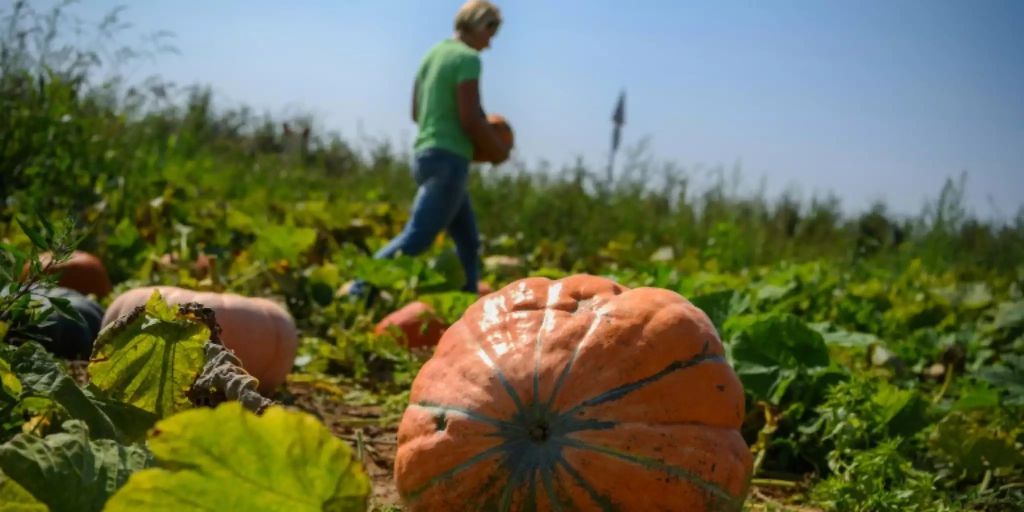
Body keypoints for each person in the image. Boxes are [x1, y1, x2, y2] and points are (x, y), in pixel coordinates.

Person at [348, 1, 510, 302]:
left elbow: (415, 112)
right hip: (450, 161)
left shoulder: (431, 55)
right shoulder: (467, 59)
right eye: (491, 32)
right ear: (479, 25)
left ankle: (468, 300)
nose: (489, 43)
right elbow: (470, 118)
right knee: (418, 236)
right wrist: (498, 150)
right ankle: (357, 291)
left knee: (467, 240)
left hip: (426, 155)